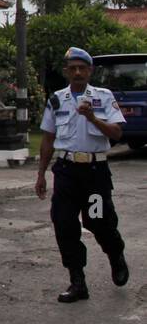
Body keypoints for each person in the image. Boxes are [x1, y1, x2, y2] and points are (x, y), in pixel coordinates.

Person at [35, 47, 130, 302]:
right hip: (66, 172)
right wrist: (41, 173)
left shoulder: (103, 97)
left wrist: (92, 117)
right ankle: (77, 282)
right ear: (66, 71)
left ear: (90, 71)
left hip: (95, 173)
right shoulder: (56, 99)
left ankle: (115, 255)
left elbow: (117, 134)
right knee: (64, 224)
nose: (77, 72)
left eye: (82, 68)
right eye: (72, 68)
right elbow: (48, 138)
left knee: (99, 221)